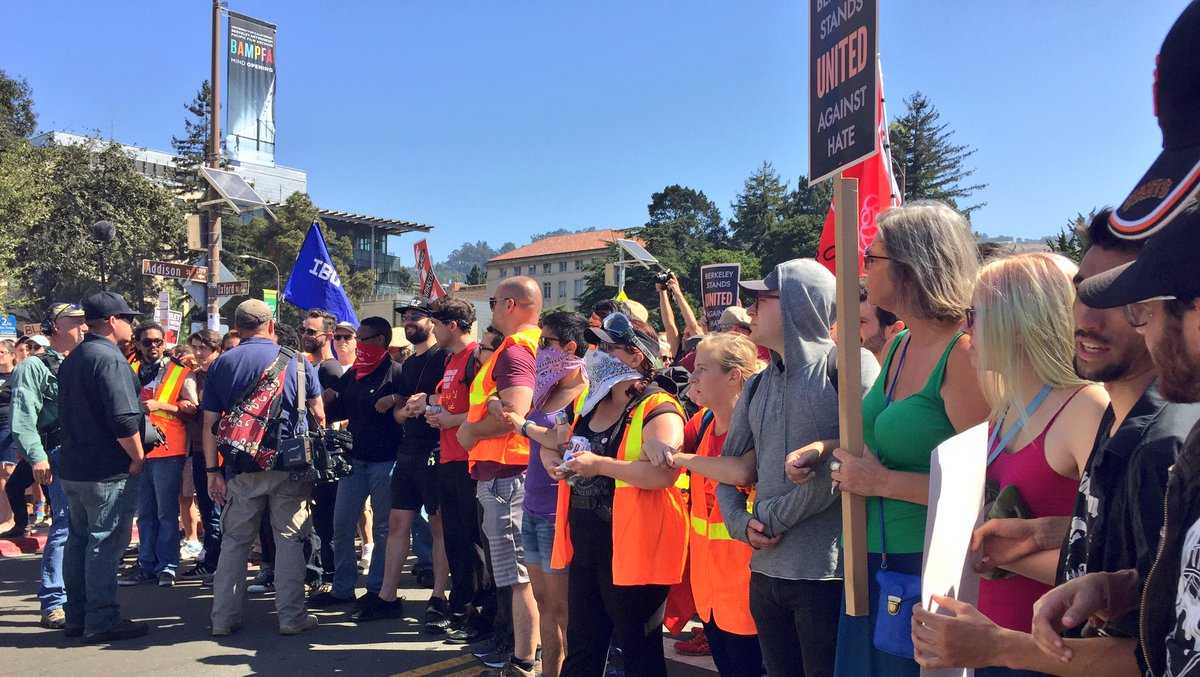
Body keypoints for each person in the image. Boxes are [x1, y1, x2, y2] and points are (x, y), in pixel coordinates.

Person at [910, 211, 1200, 675]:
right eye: (1081, 293)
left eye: (1124, 294)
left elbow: (1158, 650)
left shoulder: (1158, 440)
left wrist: (1000, 646)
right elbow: (1147, 573)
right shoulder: (1113, 420)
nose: (1083, 317)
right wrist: (1092, 571)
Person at [824, 201, 989, 676]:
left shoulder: (963, 355)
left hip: (926, 572)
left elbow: (984, 489)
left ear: (913, 269)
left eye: (872, 259)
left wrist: (880, 482)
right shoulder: (898, 345)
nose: (863, 270)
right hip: (874, 560)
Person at [707, 259, 880, 677]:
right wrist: (738, 523)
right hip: (764, 574)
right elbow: (732, 470)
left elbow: (859, 456)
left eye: (760, 298)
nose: (749, 309)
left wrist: (767, 518)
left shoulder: (850, 365)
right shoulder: (757, 384)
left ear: (796, 304)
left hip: (827, 575)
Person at [965, 254, 1109, 672]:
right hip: (993, 641)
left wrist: (991, 554)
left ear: (1017, 320)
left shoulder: (1085, 407)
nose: (966, 329)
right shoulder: (1005, 409)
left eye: (974, 314)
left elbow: (1108, 556)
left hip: (1049, 653)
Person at [543, 311, 686, 677]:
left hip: (635, 553)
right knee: (583, 650)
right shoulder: (590, 402)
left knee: (639, 656)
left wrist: (599, 465)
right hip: (588, 546)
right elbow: (563, 445)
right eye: (597, 346)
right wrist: (554, 458)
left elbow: (662, 475)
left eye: (608, 347)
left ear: (636, 356)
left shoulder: (659, 407)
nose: (596, 353)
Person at [202, 299, 325, 637]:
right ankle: (291, 617)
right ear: (271, 325)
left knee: (235, 541)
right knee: (288, 539)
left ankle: (223, 618)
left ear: (237, 328)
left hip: (242, 465)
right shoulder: (298, 362)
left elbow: (210, 422)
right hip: (290, 464)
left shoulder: (222, 363)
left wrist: (212, 471)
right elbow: (318, 415)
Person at [664, 332, 764, 677]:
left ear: (734, 376)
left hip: (747, 587)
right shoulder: (703, 421)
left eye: (703, 369)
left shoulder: (756, 425)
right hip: (710, 589)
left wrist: (678, 458)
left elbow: (739, 470)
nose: (693, 377)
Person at [457, 277, 543, 675]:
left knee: (517, 575)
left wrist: (471, 431)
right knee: (519, 573)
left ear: (510, 304)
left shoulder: (515, 353)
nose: (490, 309)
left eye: (493, 301)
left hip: (509, 474)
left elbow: (515, 415)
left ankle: (524, 659)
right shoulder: (526, 348)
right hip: (508, 472)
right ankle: (527, 654)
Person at [499, 310, 589, 677]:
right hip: (534, 505)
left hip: (559, 511)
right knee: (543, 604)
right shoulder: (547, 386)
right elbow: (551, 440)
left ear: (569, 346)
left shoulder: (583, 388)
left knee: (564, 609)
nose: (540, 349)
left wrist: (524, 427)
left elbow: (565, 441)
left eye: (546, 342)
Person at [57, 292, 147, 642]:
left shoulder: (76, 356)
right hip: (105, 469)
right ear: (112, 321)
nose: (132, 325)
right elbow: (124, 418)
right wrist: (138, 457)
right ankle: (101, 619)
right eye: (128, 318)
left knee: (79, 541)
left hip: (76, 465)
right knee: (104, 543)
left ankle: (76, 616)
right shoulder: (108, 358)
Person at [364, 299, 452, 627]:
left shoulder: (444, 358)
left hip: (438, 450)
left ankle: (439, 597)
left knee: (439, 526)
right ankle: (387, 596)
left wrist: (428, 403)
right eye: (406, 317)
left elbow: (456, 400)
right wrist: (405, 409)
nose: (410, 321)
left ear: (434, 322)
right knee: (398, 523)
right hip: (408, 451)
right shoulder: (407, 365)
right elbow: (400, 414)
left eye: (416, 316)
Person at [308, 316, 401, 612]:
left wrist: (395, 398)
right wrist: (322, 399)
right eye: (356, 338)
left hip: (386, 460)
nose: (358, 344)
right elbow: (333, 406)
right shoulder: (355, 373)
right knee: (342, 525)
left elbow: (410, 401)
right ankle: (343, 589)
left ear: (381, 341)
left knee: (384, 529)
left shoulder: (396, 372)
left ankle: (377, 590)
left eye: (364, 338)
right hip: (354, 460)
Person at [7, 303, 87, 630]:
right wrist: (37, 455)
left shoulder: (82, 361)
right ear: (55, 326)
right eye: (75, 322)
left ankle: (80, 597)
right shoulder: (35, 367)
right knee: (65, 525)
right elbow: (23, 418)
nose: (83, 328)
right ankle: (54, 601)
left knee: (86, 528)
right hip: (57, 451)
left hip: (86, 454)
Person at [425, 296, 491, 640]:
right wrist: (432, 409)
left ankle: (477, 613)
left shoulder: (477, 358)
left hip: (471, 461)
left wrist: (449, 418)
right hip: (449, 459)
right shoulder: (450, 360)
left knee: (472, 543)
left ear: (452, 325)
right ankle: (461, 607)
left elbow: (490, 411)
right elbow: (451, 404)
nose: (432, 329)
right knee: (455, 541)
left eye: (436, 323)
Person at [119, 322, 192, 588]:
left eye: (158, 342)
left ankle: (168, 566)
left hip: (168, 450)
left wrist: (164, 405)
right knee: (145, 513)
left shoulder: (180, 371)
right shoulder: (130, 370)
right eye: (147, 342)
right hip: (137, 450)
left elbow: (193, 409)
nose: (154, 347)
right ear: (137, 343)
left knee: (166, 512)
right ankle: (146, 564)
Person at [303, 309, 342, 590]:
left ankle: (328, 575)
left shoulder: (330, 369)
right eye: (303, 330)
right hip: (311, 451)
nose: (305, 336)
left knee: (325, 518)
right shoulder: (311, 366)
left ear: (328, 336)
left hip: (323, 452)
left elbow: (324, 412)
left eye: (311, 331)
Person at [180, 330, 223, 582]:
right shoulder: (191, 376)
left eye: (203, 348)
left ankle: (219, 562)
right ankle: (211, 559)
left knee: (219, 509)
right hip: (197, 448)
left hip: (221, 451)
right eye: (194, 347)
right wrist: (183, 405)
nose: (197, 353)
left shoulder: (221, 375)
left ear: (216, 350)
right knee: (207, 508)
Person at [860, 286, 905, 364]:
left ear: (895, 329)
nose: (851, 329)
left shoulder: (911, 372)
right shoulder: (836, 366)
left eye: (862, 321)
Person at [0, 339, 17, 530]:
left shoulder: (17, 375)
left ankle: (10, 518)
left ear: (13, 355)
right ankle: (5, 517)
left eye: (2, 352)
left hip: (10, 426)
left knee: (7, 471)